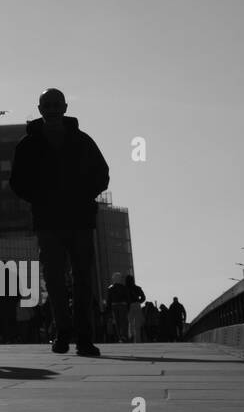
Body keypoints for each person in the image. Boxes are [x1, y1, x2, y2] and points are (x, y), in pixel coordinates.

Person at [9, 88, 108, 358]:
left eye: (56, 104)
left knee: (83, 280)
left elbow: (102, 174)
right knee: (54, 279)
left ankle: (84, 337)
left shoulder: (82, 141)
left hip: (79, 220)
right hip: (48, 221)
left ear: (64, 107)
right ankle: (63, 332)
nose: (52, 109)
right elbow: (16, 182)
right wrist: (40, 199)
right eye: (47, 105)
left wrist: (84, 195)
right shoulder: (27, 145)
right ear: (40, 109)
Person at [106, 272, 130, 343]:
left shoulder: (110, 288)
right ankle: (123, 336)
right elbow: (127, 298)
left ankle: (120, 337)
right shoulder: (124, 287)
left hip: (114, 305)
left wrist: (108, 308)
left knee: (117, 322)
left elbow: (109, 299)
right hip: (122, 305)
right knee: (123, 321)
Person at [126, 274, 146, 344]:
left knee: (130, 323)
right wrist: (139, 302)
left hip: (129, 306)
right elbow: (143, 297)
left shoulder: (125, 288)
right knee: (137, 323)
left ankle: (131, 337)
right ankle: (137, 339)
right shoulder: (137, 288)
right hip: (137, 305)